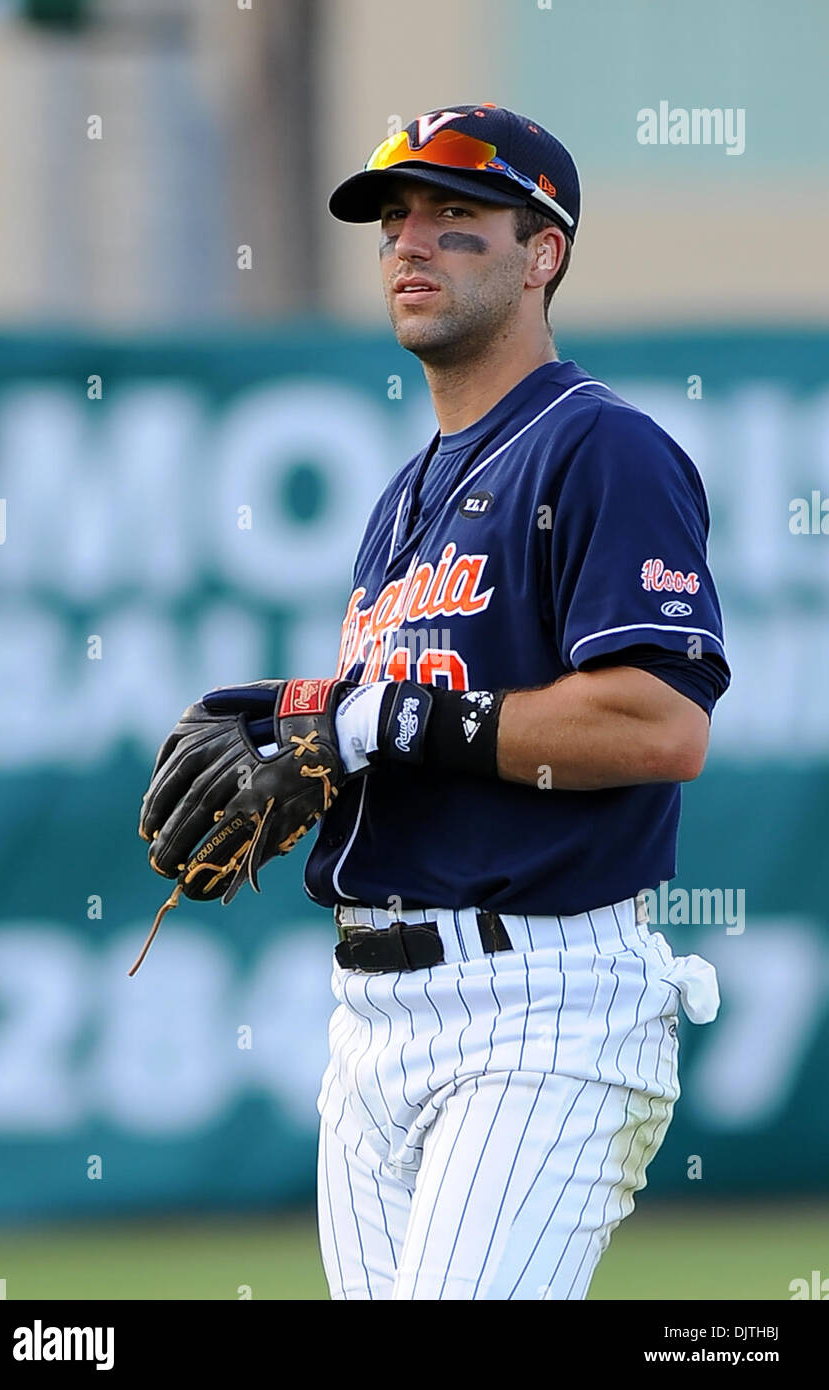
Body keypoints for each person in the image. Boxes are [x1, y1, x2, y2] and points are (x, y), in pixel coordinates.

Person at [141, 103, 731, 1301]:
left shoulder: (597, 447)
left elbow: (660, 727)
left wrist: (372, 720)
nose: (410, 244)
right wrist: (319, 720)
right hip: (370, 1016)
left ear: (542, 252)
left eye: (456, 218)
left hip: (543, 1006)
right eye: (392, 220)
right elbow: (406, 712)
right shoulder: (404, 494)